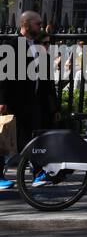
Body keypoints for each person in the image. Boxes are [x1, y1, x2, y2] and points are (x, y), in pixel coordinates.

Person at [0, 12, 57, 191]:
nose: (40, 27)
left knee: (34, 139)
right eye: (37, 24)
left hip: (34, 102)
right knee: (4, 140)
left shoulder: (39, 46)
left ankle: (38, 173)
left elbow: (47, 80)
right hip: (14, 102)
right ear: (26, 24)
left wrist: (53, 106)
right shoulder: (11, 45)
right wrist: (1, 101)